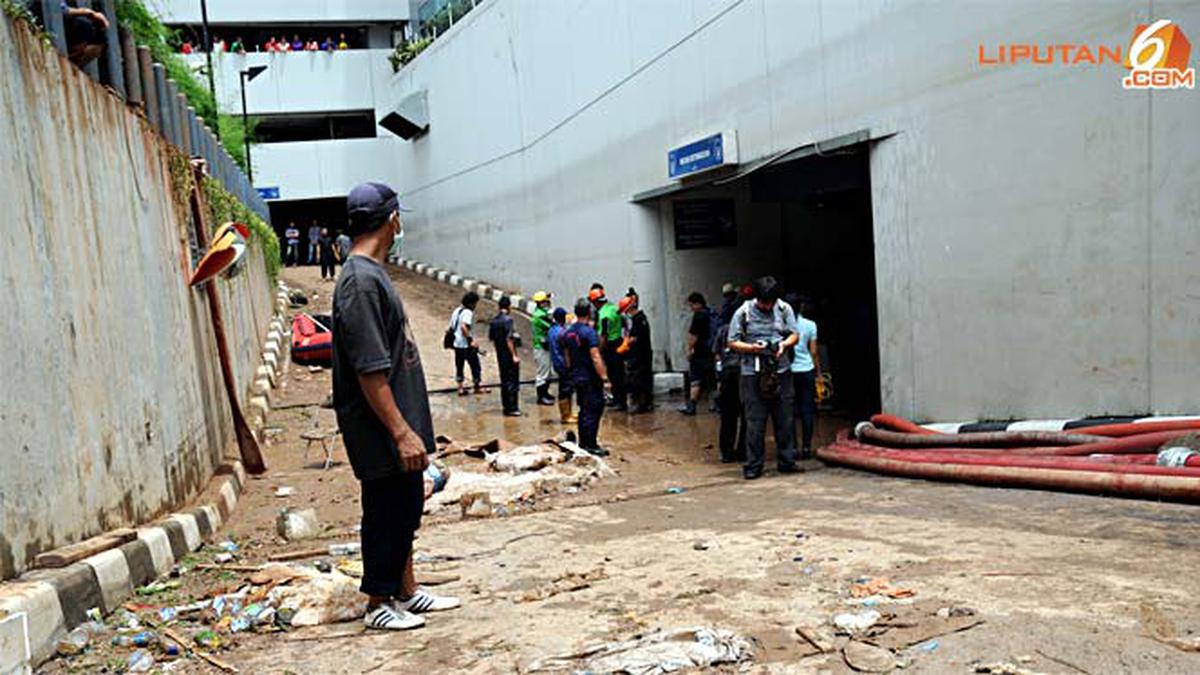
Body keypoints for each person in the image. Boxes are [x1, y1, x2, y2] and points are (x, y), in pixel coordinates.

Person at [331, 181, 459, 631]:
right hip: (381, 428)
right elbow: (369, 369)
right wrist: (401, 431)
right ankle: (378, 602)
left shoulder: (373, 274)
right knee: (386, 512)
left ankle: (406, 591)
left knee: (406, 510)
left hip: (397, 421)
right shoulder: (360, 284)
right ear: (392, 220)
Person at [728, 276, 800, 479]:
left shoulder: (784, 309)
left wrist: (784, 345)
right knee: (755, 422)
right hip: (752, 374)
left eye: (770, 303)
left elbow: (795, 334)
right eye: (763, 302)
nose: (767, 307)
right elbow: (732, 342)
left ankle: (787, 461)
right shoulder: (743, 312)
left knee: (785, 420)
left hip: (781, 372)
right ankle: (753, 466)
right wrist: (752, 348)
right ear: (756, 298)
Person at [561, 299, 611, 456]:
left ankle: (584, 442)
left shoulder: (568, 332)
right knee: (594, 409)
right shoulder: (589, 333)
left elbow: (567, 355)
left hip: (577, 376)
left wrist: (571, 371)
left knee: (584, 410)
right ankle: (590, 445)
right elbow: (595, 357)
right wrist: (604, 378)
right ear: (589, 312)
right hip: (590, 378)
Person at [786, 294, 821, 459]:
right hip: (806, 369)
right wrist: (818, 372)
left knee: (790, 411)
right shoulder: (810, 325)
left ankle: (793, 447)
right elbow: (813, 352)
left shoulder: (783, 325)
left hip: (789, 372)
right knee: (807, 410)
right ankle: (807, 447)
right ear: (801, 307)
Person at [713, 321, 746, 464]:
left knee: (728, 417)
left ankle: (726, 452)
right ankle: (743, 451)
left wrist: (718, 377)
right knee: (747, 416)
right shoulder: (751, 328)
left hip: (727, 373)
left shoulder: (723, 329)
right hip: (745, 373)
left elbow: (717, 355)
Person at [679, 292, 716, 415]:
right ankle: (715, 405)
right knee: (713, 380)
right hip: (711, 351)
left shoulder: (699, 316)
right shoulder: (711, 313)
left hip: (700, 352)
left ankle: (691, 406)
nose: (691, 308)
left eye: (691, 305)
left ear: (697, 304)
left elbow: (694, 335)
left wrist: (689, 350)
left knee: (695, 380)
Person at [591, 286, 626, 411]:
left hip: (610, 346)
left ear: (596, 302)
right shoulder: (614, 308)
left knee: (614, 375)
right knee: (620, 373)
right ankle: (619, 400)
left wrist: (599, 351)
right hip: (619, 342)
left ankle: (619, 402)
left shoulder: (603, 315)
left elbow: (603, 335)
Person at [488, 296, 521, 417]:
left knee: (504, 380)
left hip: (500, 354)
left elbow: (491, 337)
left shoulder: (494, 321)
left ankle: (506, 407)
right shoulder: (508, 320)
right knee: (512, 381)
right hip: (508, 354)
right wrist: (514, 355)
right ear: (509, 306)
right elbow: (509, 339)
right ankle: (513, 408)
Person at [622, 290, 654, 413]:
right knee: (641, 379)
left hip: (640, 355)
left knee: (638, 380)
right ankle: (644, 403)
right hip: (640, 354)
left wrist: (625, 344)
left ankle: (641, 404)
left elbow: (636, 338)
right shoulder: (636, 319)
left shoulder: (639, 319)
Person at [449, 292, 484, 396]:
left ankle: (460, 388)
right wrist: (471, 341)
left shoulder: (456, 311)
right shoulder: (468, 312)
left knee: (459, 366)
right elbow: (464, 327)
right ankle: (477, 387)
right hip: (465, 345)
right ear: (472, 303)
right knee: (475, 365)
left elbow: (451, 327)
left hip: (457, 344)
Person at [548, 307, 576, 423]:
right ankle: (566, 415)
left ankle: (568, 413)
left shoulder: (552, 330)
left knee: (565, 388)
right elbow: (566, 351)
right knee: (566, 389)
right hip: (564, 364)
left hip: (556, 362)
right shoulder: (562, 333)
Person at [530, 291, 555, 406]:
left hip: (545, 345)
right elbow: (551, 325)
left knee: (548, 371)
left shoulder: (540, 312)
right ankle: (541, 396)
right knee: (543, 373)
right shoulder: (540, 316)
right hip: (541, 347)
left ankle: (545, 393)